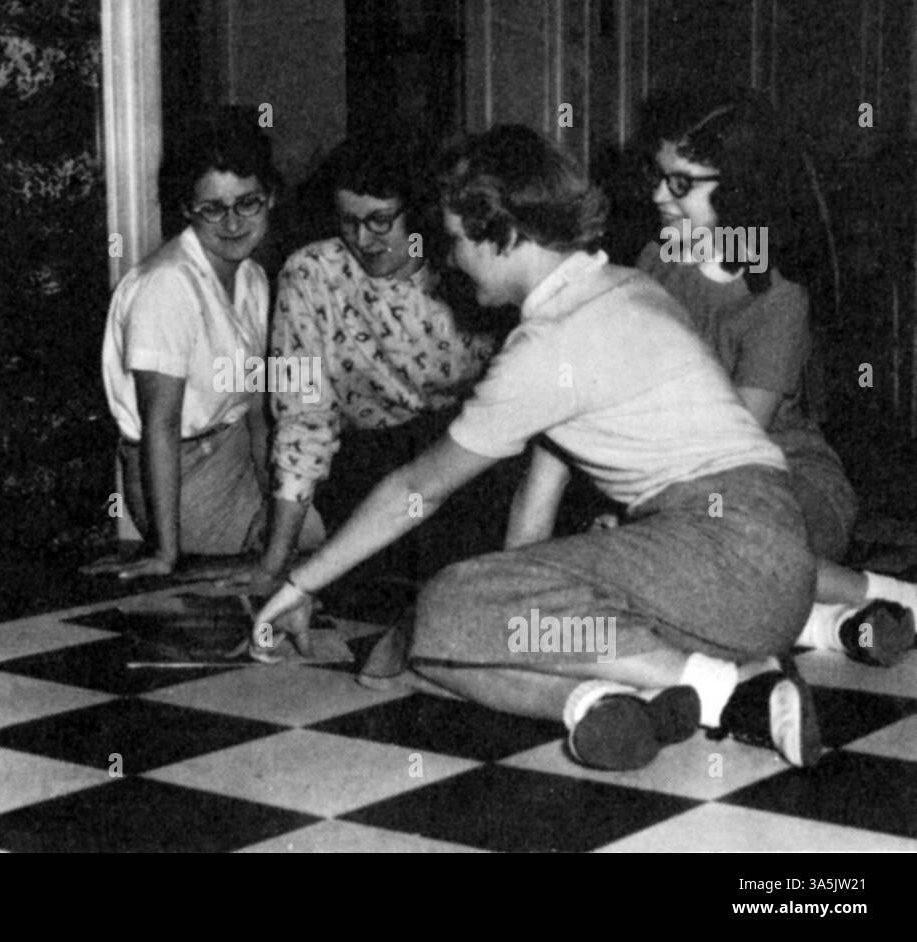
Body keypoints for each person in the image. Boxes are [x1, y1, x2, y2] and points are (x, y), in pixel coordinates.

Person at [251, 125, 824, 772]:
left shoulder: (547, 345)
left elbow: (418, 490)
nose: (452, 262)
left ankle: (731, 692)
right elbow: (535, 506)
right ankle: (604, 702)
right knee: (438, 646)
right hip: (770, 563)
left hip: (725, 557)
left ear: (502, 235)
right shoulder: (627, 289)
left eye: (458, 242)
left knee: (443, 604)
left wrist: (299, 583)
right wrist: (497, 608)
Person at [633, 88, 916, 666]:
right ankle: (831, 626)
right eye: (660, 177)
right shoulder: (655, 261)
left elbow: (731, 445)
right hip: (679, 483)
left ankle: (897, 596)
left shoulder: (776, 297)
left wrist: (647, 505)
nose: (659, 195)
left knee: (716, 549)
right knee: (679, 566)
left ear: (741, 188)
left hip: (783, 480)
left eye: (682, 183)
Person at [191, 129, 501, 595]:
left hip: (467, 462)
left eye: (380, 221)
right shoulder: (311, 274)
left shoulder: (467, 268)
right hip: (364, 467)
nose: (363, 240)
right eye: (348, 221)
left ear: (416, 212)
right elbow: (304, 419)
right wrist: (275, 563)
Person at [92, 110, 320, 579]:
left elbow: (256, 412)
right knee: (318, 547)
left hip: (233, 449)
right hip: (184, 473)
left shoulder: (254, 278)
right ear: (186, 210)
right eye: (213, 209)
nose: (234, 223)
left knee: (327, 523)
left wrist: (273, 502)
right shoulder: (167, 286)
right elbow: (160, 423)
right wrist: (165, 553)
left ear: (270, 198)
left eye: (249, 203)